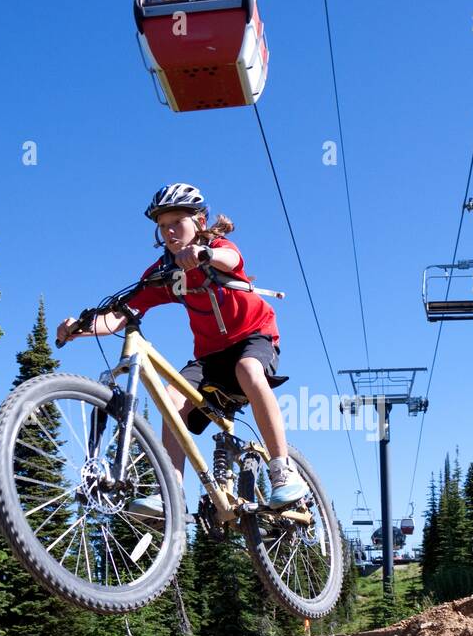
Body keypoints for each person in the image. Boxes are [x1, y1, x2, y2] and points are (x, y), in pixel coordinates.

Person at [55, 182, 308, 517]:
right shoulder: (164, 272)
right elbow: (121, 314)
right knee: (170, 398)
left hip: (254, 336)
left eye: (177, 222)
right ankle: (171, 493)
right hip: (210, 357)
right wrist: (80, 329)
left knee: (247, 369)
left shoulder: (215, 248)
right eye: (162, 226)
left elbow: (231, 259)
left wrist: (205, 254)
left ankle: (281, 469)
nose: (169, 231)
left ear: (199, 221)